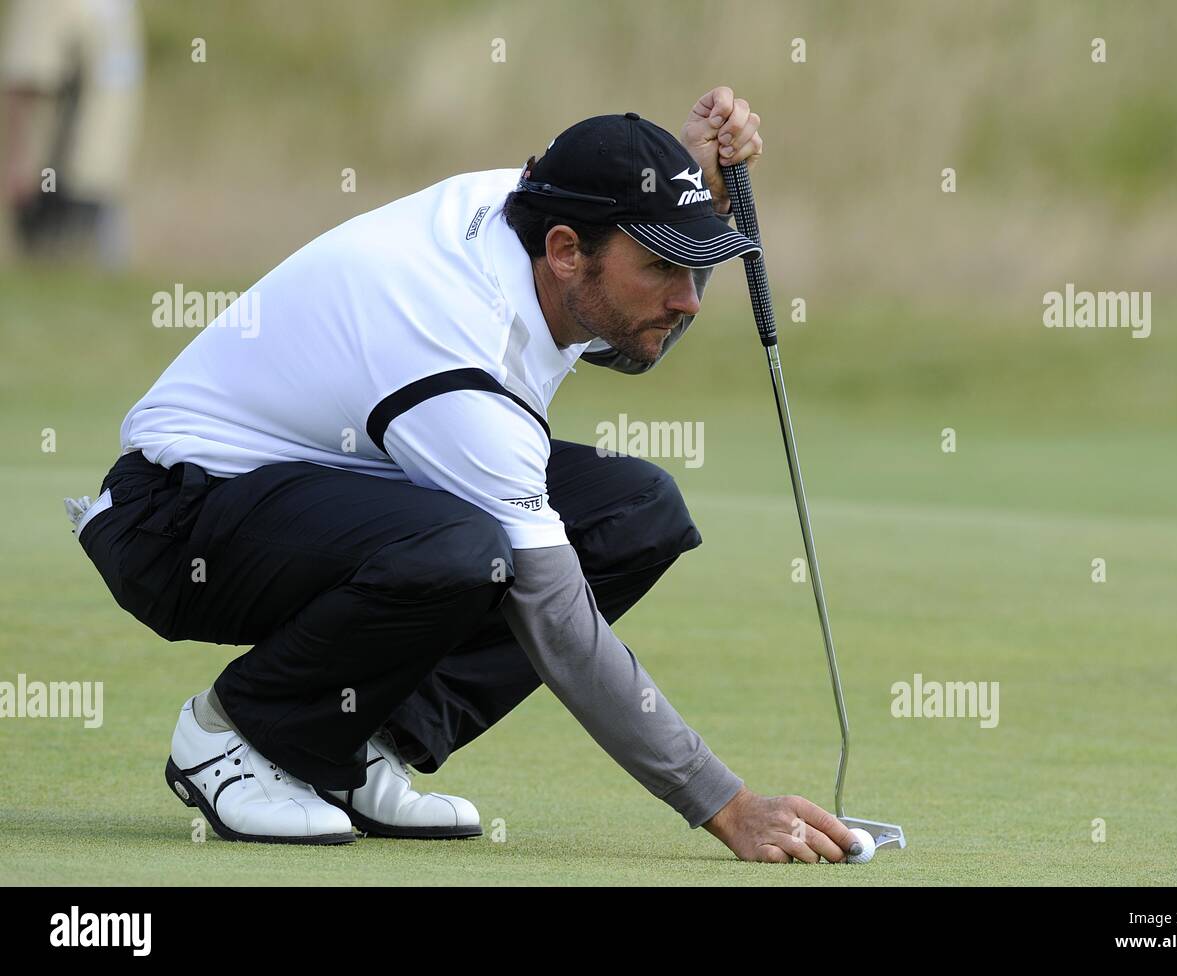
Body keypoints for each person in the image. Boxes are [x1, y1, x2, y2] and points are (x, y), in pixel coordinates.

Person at [66, 86, 863, 863]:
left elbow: (629, 338)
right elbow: (555, 618)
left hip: (327, 487)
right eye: (663, 265)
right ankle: (240, 734)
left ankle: (356, 740)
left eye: (692, 270)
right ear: (564, 250)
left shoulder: (540, 217)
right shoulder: (452, 343)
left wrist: (694, 200)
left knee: (635, 512)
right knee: (469, 549)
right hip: (174, 520)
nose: (688, 301)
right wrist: (726, 806)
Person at [2, 0, 143, 265]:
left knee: (71, 289)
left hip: (82, 182)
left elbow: (26, 80)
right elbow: (27, 79)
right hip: (79, 181)